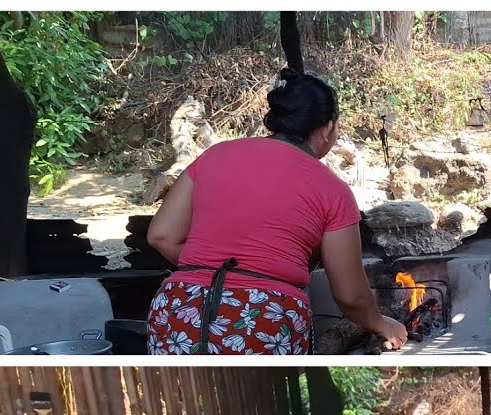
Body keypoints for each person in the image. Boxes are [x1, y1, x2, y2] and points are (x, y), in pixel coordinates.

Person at [146, 67, 407, 355]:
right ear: (329, 128)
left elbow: (161, 236)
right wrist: (383, 324)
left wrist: (214, 268)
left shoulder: (213, 156)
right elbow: (350, 296)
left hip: (178, 310)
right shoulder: (333, 190)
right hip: (264, 319)